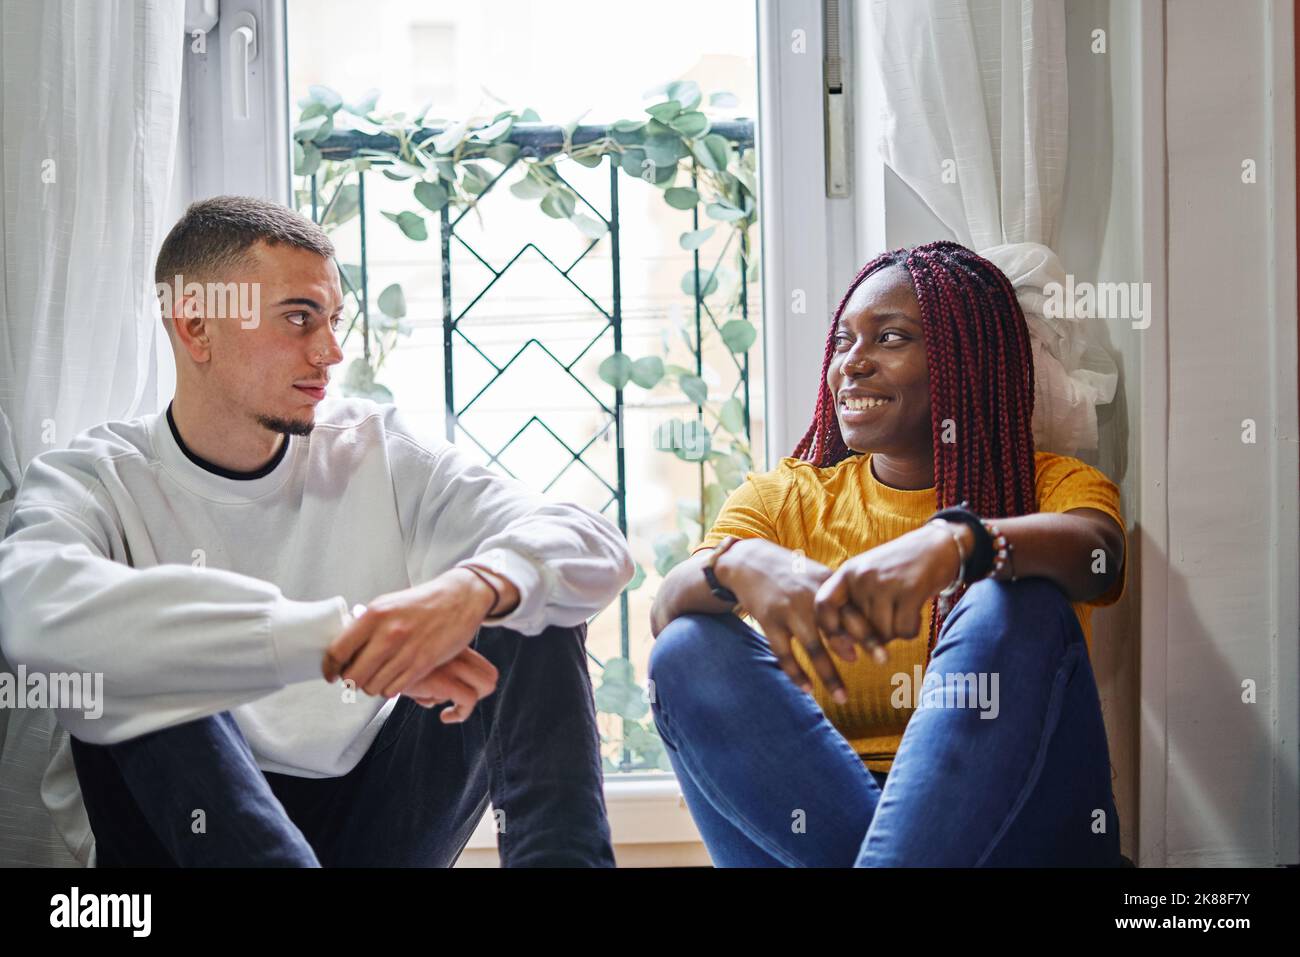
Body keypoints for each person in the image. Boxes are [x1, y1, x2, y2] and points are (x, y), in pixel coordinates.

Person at [0, 195, 634, 867]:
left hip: (371, 824)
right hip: (183, 830)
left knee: (527, 593)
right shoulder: (93, 480)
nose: (330, 350)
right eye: (299, 319)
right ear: (195, 326)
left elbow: (592, 543)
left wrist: (472, 589)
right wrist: (332, 640)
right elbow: (30, 617)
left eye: (333, 319)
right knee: (139, 655)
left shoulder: (379, 450)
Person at [648, 241, 1128, 867]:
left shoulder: (1045, 487)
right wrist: (735, 563)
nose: (853, 363)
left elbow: (1101, 558)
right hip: (820, 826)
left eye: (891, 338)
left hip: (1004, 830)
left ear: (967, 361)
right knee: (687, 645)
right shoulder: (784, 500)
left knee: (1014, 597)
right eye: (843, 340)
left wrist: (961, 541)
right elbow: (664, 615)